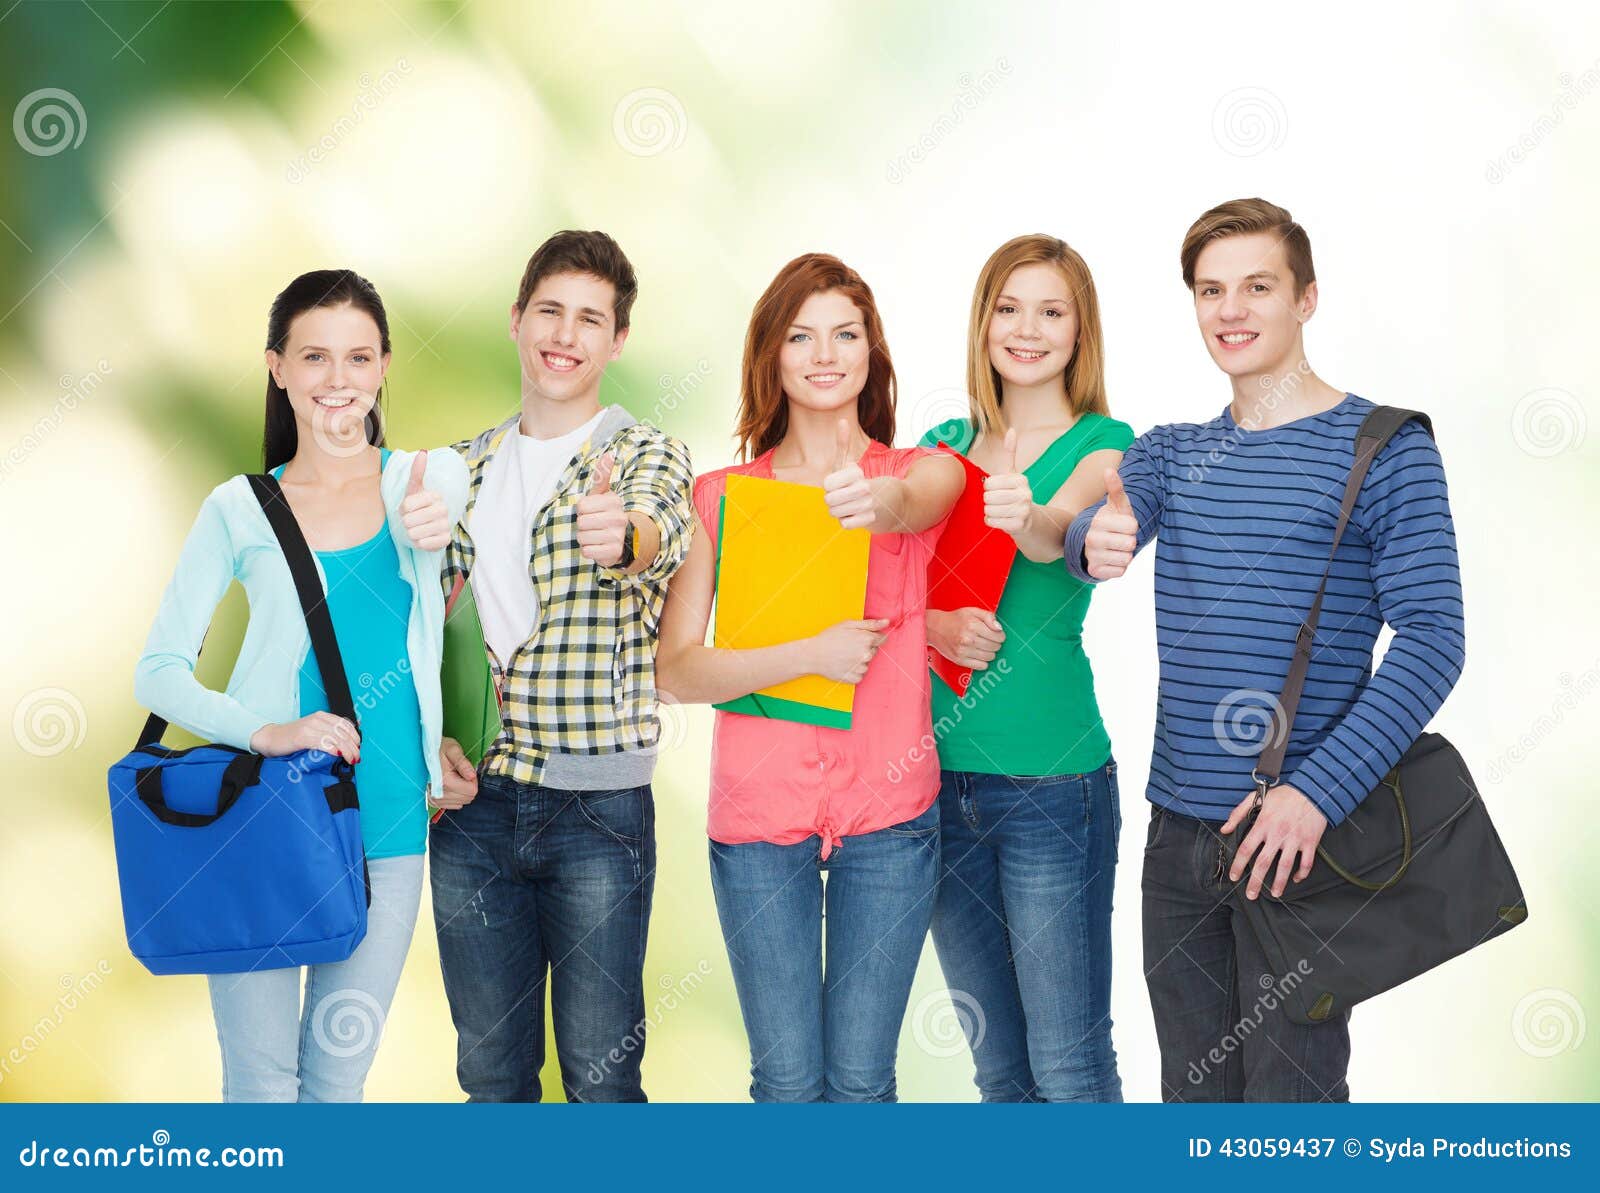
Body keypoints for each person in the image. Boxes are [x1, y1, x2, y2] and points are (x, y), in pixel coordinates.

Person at [1065, 198, 1466, 1102]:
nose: (1231, 310)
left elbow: (1435, 638)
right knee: (1193, 1115)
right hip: (1176, 842)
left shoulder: (1384, 447)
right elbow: (1099, 527)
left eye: (1257, 286)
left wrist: (1314, 795)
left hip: (1300, 845)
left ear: (1306, 299)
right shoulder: (1174, 454)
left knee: (1292, 1119)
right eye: (1211, 290)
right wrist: (1093, 539)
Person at [134, 269, 469, 1102]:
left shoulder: (423, 483)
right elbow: (158, 671)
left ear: (385, 365)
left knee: (337, 1083)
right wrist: (267, 731)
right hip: (262, 816)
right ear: (277, 367)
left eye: (358, 357)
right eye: (314, 356)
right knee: (261, 1081)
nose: (337, 379)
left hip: (388, 823)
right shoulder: (238, 509)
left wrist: (436, 522)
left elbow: (450, 499)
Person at [655, 253, 964, 1102]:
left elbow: (930, 496)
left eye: (845, 333)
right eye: (801, 335)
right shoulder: (719, 498)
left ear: (872, 352)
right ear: (772, 355)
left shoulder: (917, 473)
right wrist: (809, 655)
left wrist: (880, 504)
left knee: (863, 1081)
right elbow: (676, 671)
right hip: (758, 816)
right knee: (786, 1081)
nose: (825, 354)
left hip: (891, 814)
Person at [428, 230, 695, 1103]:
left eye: (591, 319)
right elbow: (421, 632)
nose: (565, 333)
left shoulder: (644, 455)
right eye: (550, 310)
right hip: (473, 810)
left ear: (616, 341)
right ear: (517, 319)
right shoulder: (457, 469)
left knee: (602, 1078)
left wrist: (623, 535)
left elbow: (658, 533)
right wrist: (429, 746)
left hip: (597, 813)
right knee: (491, 1075)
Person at [921, 234, 1133, 1102]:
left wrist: (1026, 513)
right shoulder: (939, 443)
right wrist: (934, 621)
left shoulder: (1107, 444)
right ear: (983, 322)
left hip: (1053, 784)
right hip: (933, 783)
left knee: (1070, 1066)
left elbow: (1063, 536)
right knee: (1000, 1072)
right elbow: (886, 595)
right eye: (1009, 307)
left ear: (1080, 332)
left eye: (1052, 311)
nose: (1027, 329)